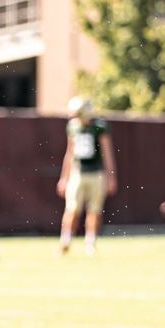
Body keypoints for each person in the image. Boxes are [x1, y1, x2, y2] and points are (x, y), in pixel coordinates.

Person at [57, 97, 117, 256]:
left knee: (94, 210)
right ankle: (66, 239)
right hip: (78, 172)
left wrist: (111, 177)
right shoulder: (73, 127)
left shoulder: (99, 127)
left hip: (96, 173)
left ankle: (90, 242)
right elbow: (69, 153)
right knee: (72, 209)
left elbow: (107, 154)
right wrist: (64, 177)